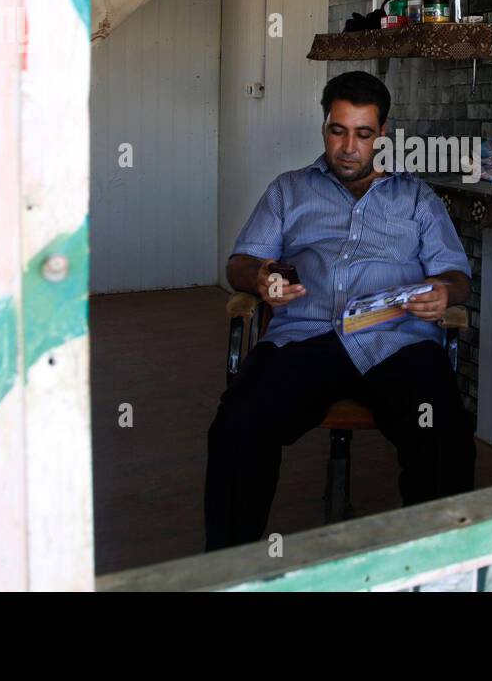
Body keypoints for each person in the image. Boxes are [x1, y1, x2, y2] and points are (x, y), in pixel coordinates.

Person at [204, 71, 476, 551]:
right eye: (338, 130)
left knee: (442, 432)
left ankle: (441, 567)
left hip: (398, 341)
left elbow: (456, 277)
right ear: (324, 125)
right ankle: (227, 570)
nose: (349, 147)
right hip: (304, 339)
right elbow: (239, 264)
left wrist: (444, 294)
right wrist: (261, 276)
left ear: (382, 134)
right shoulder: (288, 191)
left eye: (363, 134)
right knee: (239, 423)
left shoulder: (416, 199)